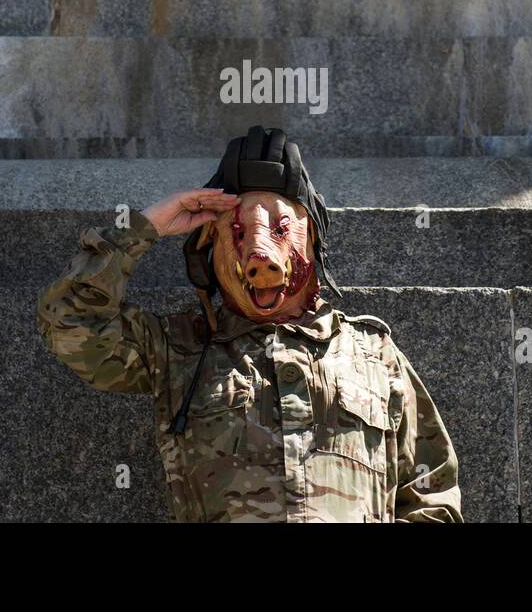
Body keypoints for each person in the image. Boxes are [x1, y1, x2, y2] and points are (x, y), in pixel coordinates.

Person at [37, 126, 462, 522]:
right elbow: (71, 320)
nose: (258, 254)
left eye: (281, 229)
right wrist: (146, 227)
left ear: (311, 239)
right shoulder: (176, 348)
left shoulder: (374, 355)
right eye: (237, 233)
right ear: (210, 253)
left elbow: (431, 493)